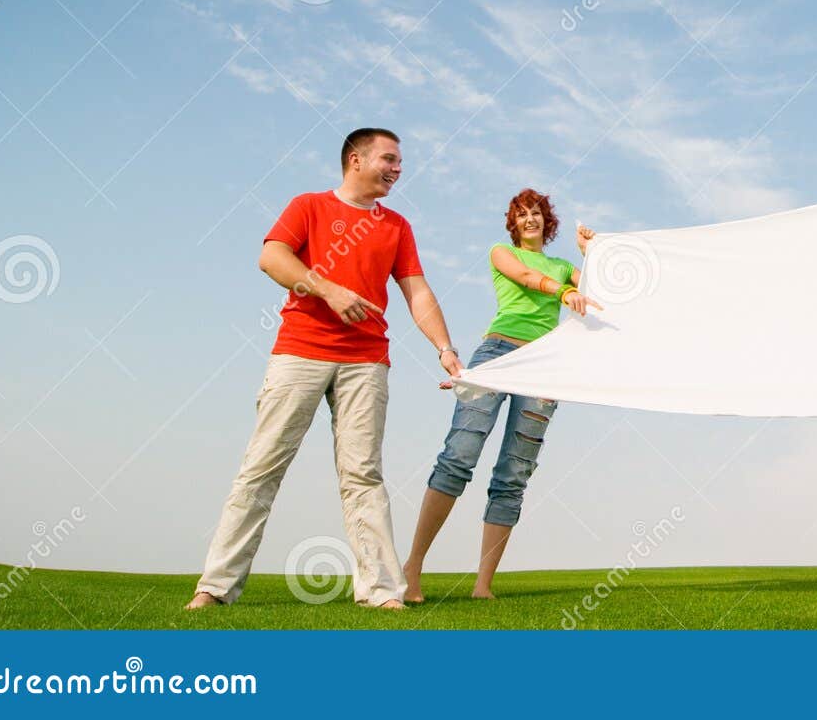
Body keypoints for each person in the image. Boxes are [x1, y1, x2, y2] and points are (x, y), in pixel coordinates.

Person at [186, 129, 461, 610]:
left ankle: (380, 591)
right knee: (262, 467)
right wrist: (327, 289)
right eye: (389, 159)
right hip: (300, 350)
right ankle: (214, 586)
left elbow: (417, 291)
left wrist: (444, 347)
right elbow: (271, 257)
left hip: (366, 361)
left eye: (400, 162)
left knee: (363, 473)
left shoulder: (396, 226)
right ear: (356, 160)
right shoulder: (308, 206)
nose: (398, 169)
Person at [402, 188, 600, 602]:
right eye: (522, 214)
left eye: (537, 213)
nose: (531, 219)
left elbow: (602, 291)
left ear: (548, 222)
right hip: (498, 354)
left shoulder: (563, 265)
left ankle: (482, 585)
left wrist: (590, 254)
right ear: (513, 223)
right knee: (459, 457)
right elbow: (527, 279)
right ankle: (412, 569)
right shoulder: (501, 252)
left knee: (514, 473)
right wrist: (563, 291)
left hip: (544, 369)